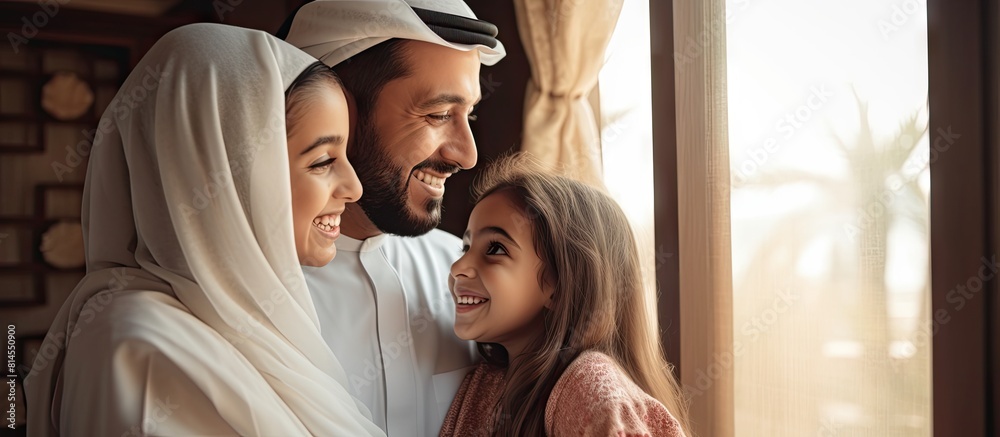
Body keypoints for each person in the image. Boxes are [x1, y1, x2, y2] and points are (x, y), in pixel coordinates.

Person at [24, 23, 385, 436]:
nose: (354, 187)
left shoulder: (259, 322)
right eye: (322, 161)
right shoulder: (139, 347)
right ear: (221, 174)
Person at [276, 1, 506, 434]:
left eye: (468, 115)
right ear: (336, 111)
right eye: (438, 115)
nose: (467, 154)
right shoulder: (244, 297)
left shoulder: (473, 279)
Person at [439, 154, 691, 436]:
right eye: (466, 247)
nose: (458, 267)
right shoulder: (487, 382)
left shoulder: (591, 389)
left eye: (495, 249)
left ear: (560, 286)